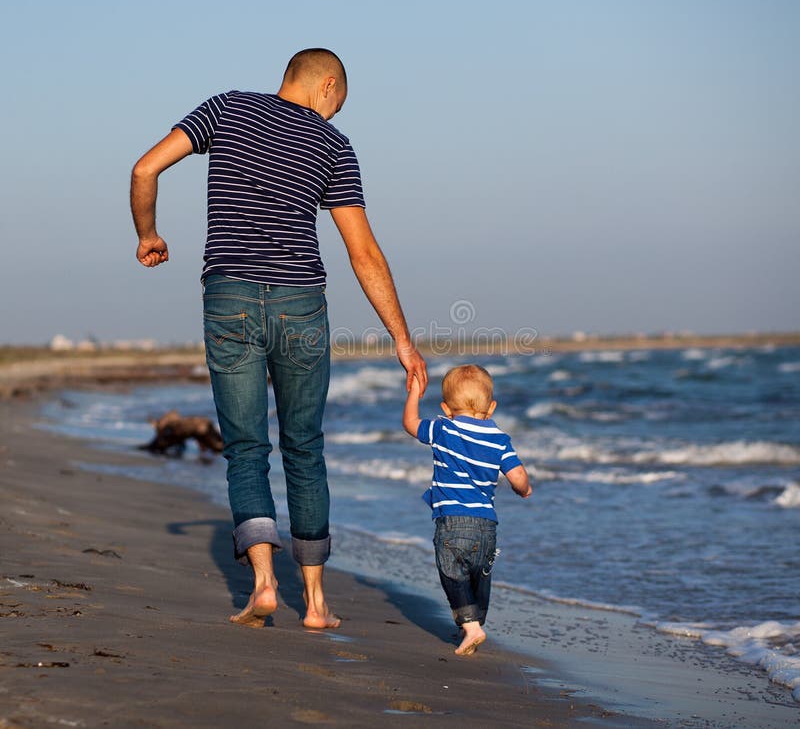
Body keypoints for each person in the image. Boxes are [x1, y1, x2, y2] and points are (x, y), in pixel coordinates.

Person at [130, 48, 427, 629]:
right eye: (337, 103)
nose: (334, 114)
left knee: (245, 448)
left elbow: (144, 169)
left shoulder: (225, 109)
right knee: (304, 449)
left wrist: (149, 234)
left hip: (230, 298)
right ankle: (315, 603)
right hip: (301, 306)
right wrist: (403, 339)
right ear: (327, 86)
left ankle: (264, 585)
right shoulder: (332, 145)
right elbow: (362, 251)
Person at [403, 364, 530, 655]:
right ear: (492, 407)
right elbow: (518, 476)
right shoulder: (500, 439)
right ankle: (473, 624)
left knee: (452, 572)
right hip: (487, 526)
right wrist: (524, 490)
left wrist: (413, 393)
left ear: (446, 408)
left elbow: (410, 423)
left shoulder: (442, 428)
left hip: (453, 522)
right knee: (479, 575)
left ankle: (471, 627)